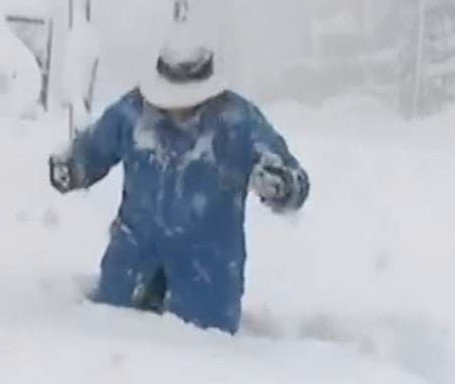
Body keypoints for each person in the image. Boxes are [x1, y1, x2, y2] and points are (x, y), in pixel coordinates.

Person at [47, 24, 309, 334]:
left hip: (207, 279)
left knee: (191, 371)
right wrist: (72, 167)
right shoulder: (132, 112)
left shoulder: (239, 122)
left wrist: (280, 185)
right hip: (130, 269)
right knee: (113, 357)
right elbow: (93, 149)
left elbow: (295, 181)